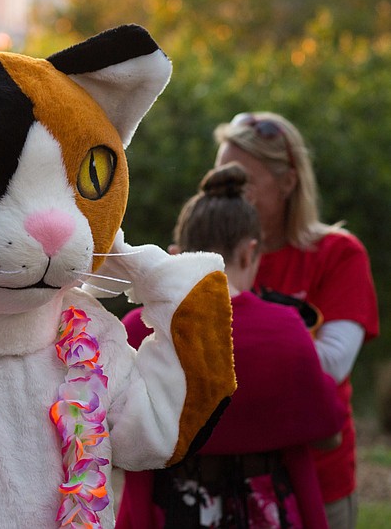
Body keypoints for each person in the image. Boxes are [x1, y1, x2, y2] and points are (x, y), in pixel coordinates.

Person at [116, 163, 347, 528]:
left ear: (176, 254)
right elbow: (327, 438)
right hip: (265, 511)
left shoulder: (138, 330)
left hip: (173, 510)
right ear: (249, 252)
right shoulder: (287, 328)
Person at [214, 111, 379, 529]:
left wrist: (231, 353)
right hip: (222, 476)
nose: (227, 194)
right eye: (221, 178)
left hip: (317, 481)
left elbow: (333, 363)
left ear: (287, 182)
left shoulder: (338, 254)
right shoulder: (209, 257)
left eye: (243, 181)